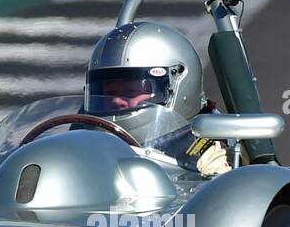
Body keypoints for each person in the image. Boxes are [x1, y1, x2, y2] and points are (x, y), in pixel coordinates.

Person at [82, 21, 233, 176]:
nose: (117, 100)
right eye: (109, 92)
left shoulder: (210, 155)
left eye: (130, 91)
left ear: (175, 84)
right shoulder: (86, 144)